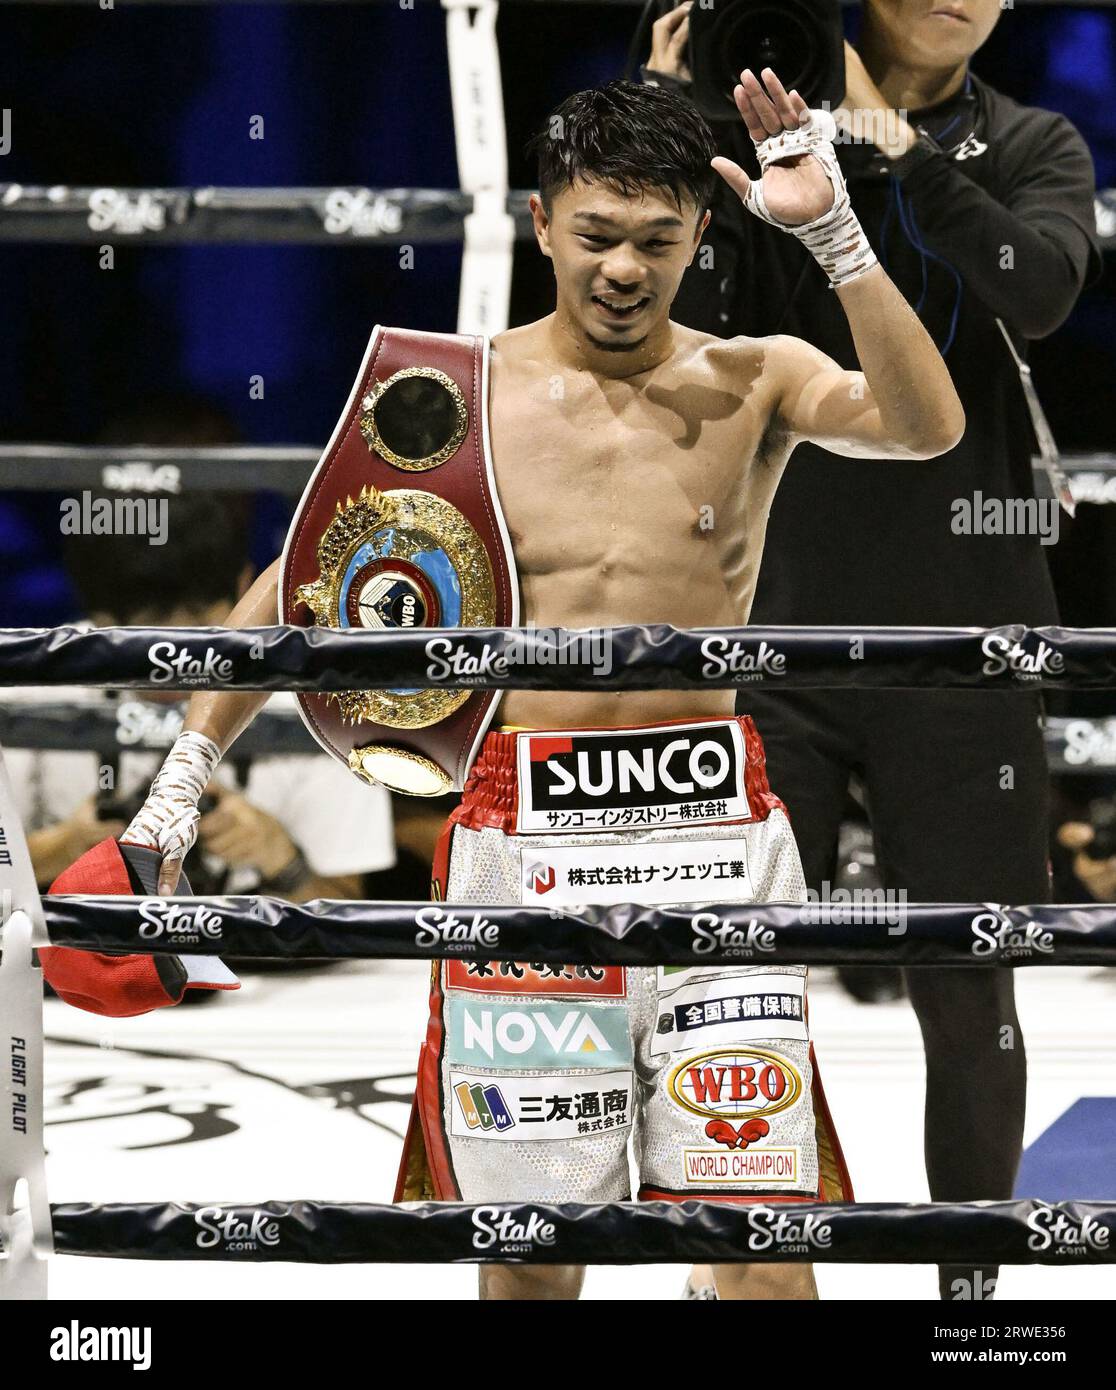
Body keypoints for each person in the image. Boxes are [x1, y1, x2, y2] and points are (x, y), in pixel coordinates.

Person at [119, 74, 963, 1299]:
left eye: (657, 241)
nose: (624, 269)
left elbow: (924, 424)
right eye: (597, 236)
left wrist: (835, 234)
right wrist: (180, 786)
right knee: (531, 1262)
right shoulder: (453, 393)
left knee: (765, 1263)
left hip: (709, 832)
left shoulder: (756, 374)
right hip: (525, 834)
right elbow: (296, 584)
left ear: (701, 238)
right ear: (541, 222)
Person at [645, 0, 1101, 1299]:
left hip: (961, 629)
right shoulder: (737, 123)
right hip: (770, 621)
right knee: (734, 975)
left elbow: (1039, 286)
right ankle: (740, 1269)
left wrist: (876, 138)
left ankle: (968, 1290)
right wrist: (676, 110)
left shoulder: (1027, 142)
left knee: (969, 989)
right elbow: (655, 293)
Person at [5, 482, 394, 908]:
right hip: (72, 961)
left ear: (245, 588)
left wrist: (281, 858)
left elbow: (346, 906)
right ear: (95, 616)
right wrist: (58, 849)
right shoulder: (33, 682)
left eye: (197, 635)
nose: (173, 670)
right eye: (144, 642)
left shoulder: (320, 700)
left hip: (270, 969)